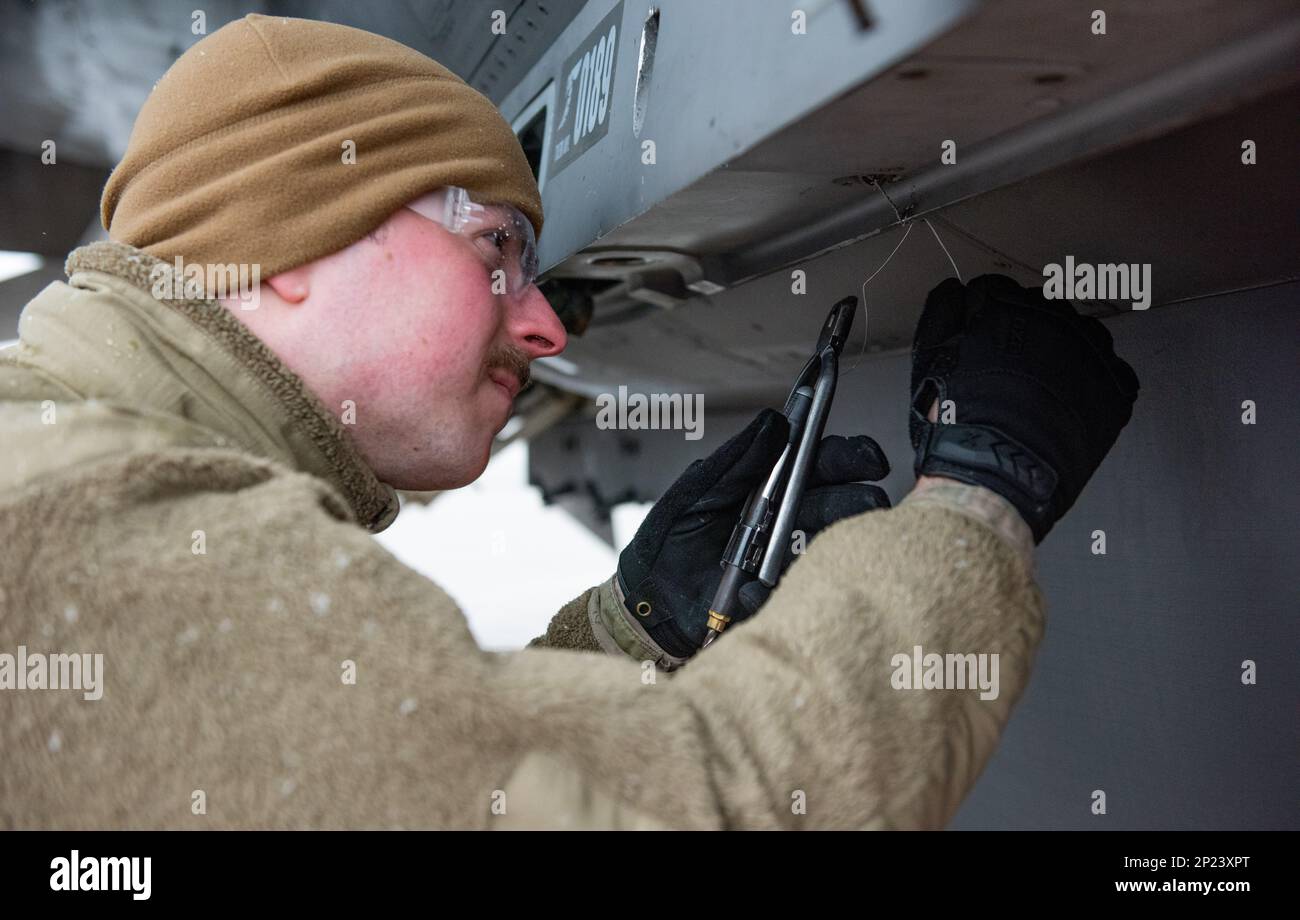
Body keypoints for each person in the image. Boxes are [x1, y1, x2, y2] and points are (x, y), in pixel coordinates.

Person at [0, 15, 1137, 829]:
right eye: (495, 249)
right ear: (294, 244)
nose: (545, 326)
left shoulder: (68, 479)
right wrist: (976, 498)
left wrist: (630, 627)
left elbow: (402, 780)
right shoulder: (105, 538)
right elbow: (711, 805)